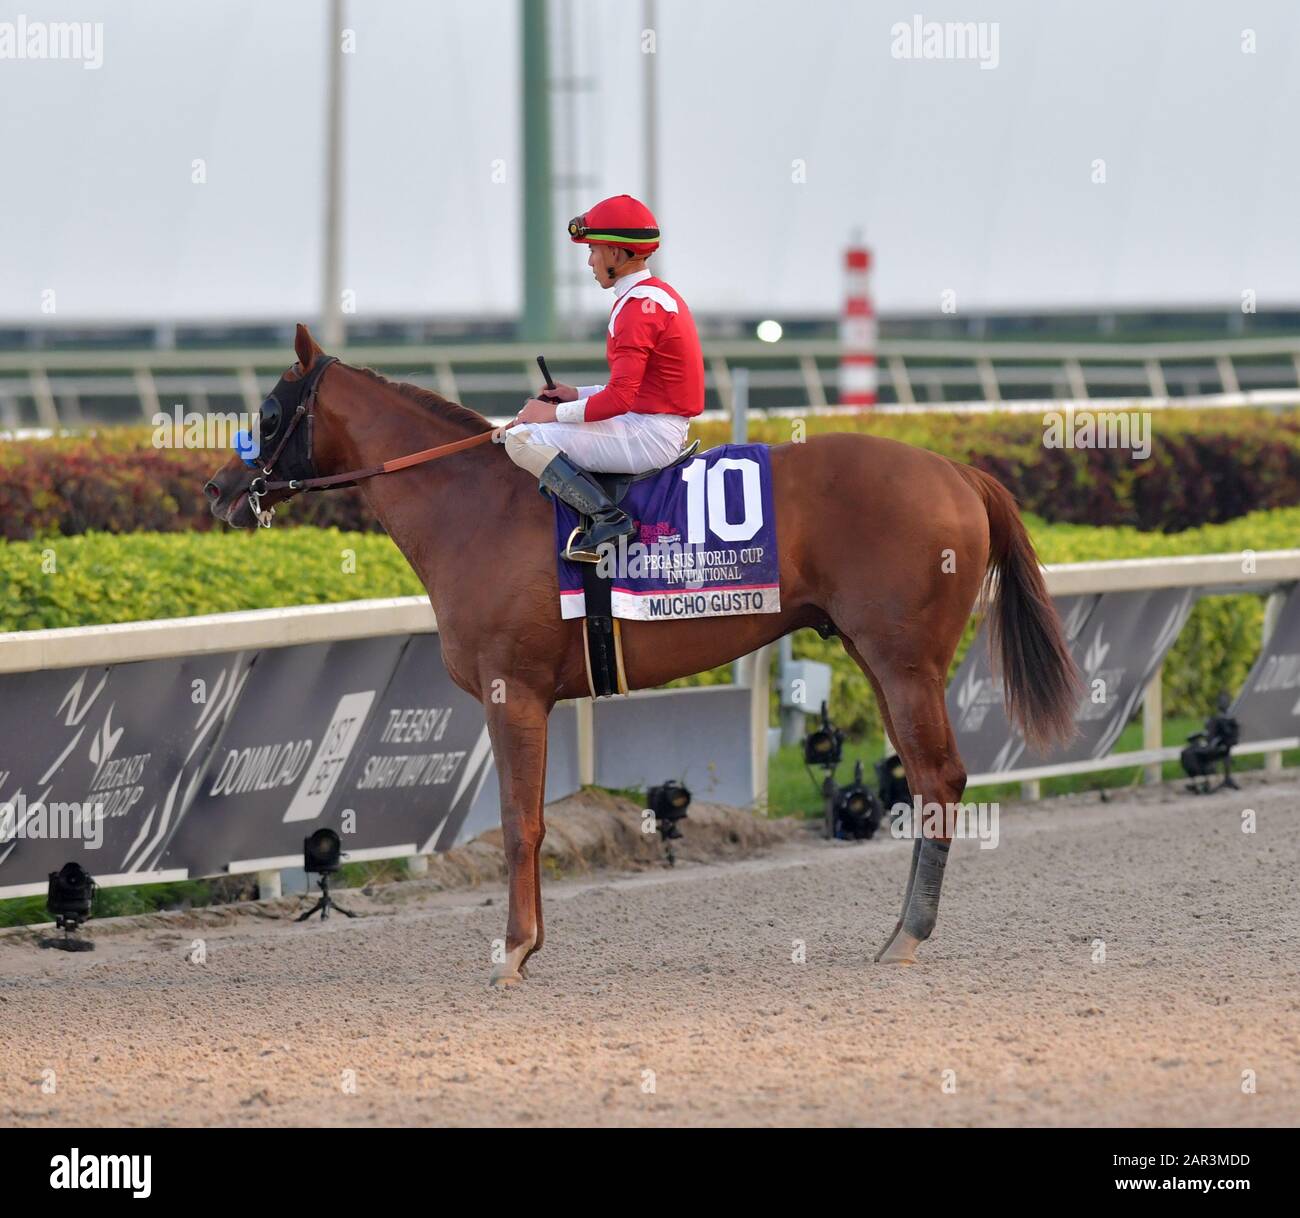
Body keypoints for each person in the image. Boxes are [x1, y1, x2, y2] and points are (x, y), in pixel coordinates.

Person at [497, 194, 704, 561]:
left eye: (593, 250)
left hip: (651, 435)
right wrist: (573, 394)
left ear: (616, 254)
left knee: (521, 439)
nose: (590, 261)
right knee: (528, 432)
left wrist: (550, 413)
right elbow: (633, 390)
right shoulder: (654, 296)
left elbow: (620, 400)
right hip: (653, 424)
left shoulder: (636, 309)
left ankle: (609, 521)